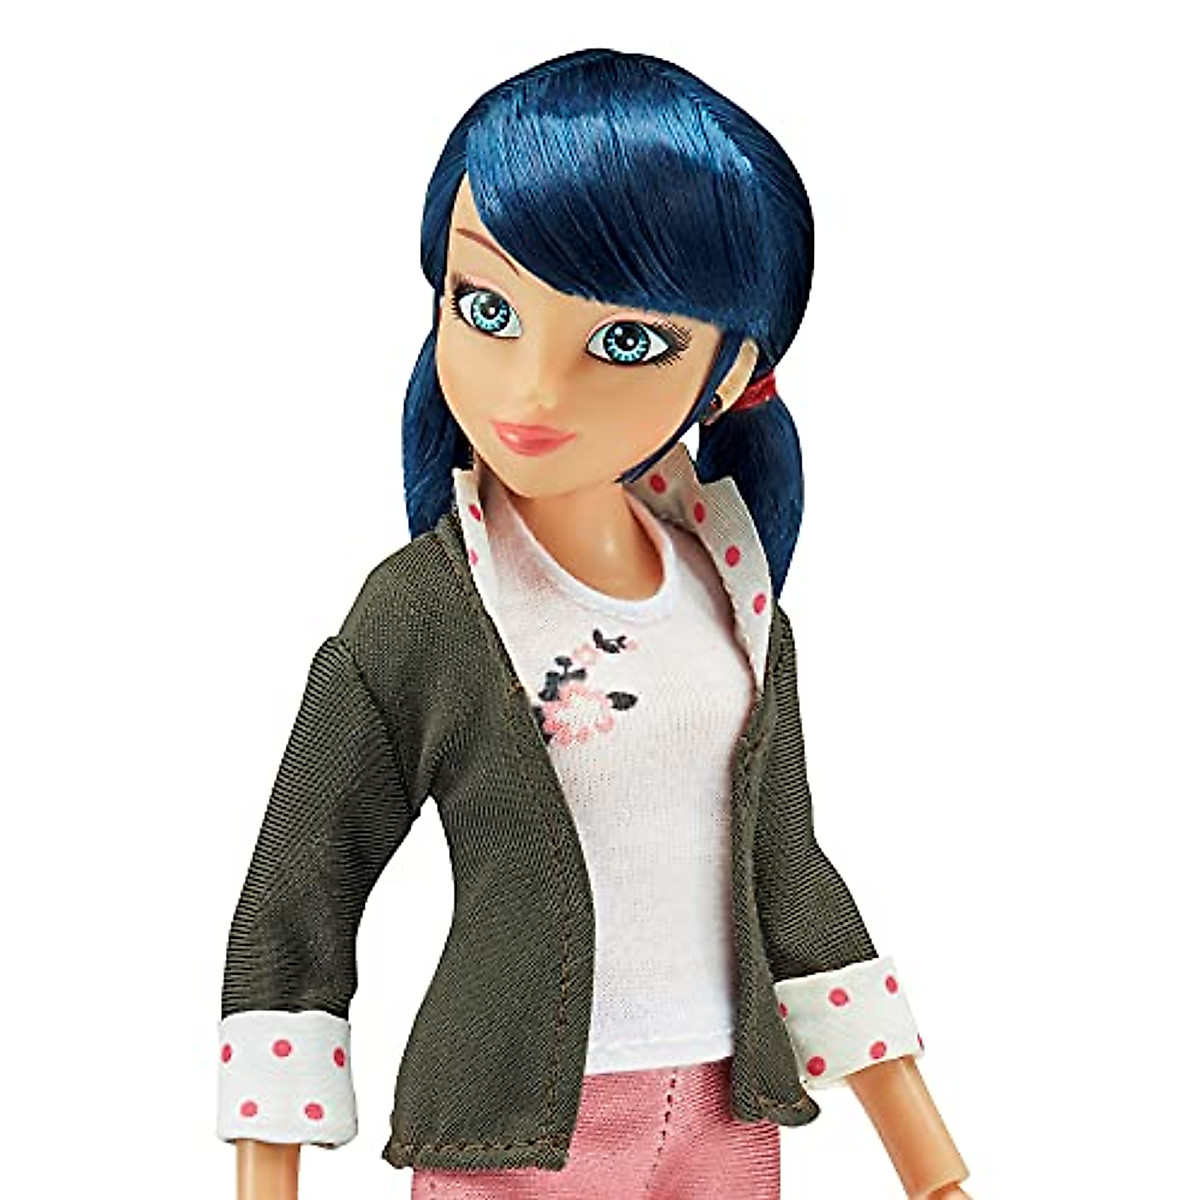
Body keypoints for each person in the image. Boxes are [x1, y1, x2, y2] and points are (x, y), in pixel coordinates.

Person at [216, 48, 971, 1199]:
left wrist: (929, 1160)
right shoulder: (424, 612)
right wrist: (266, 1173)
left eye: (624, 341)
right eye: (488, 309)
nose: (532, 389)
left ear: (732, 371)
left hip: (724, 1114)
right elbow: (300, 889)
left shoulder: (736, 600)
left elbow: (791, 877)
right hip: (520, 1129)